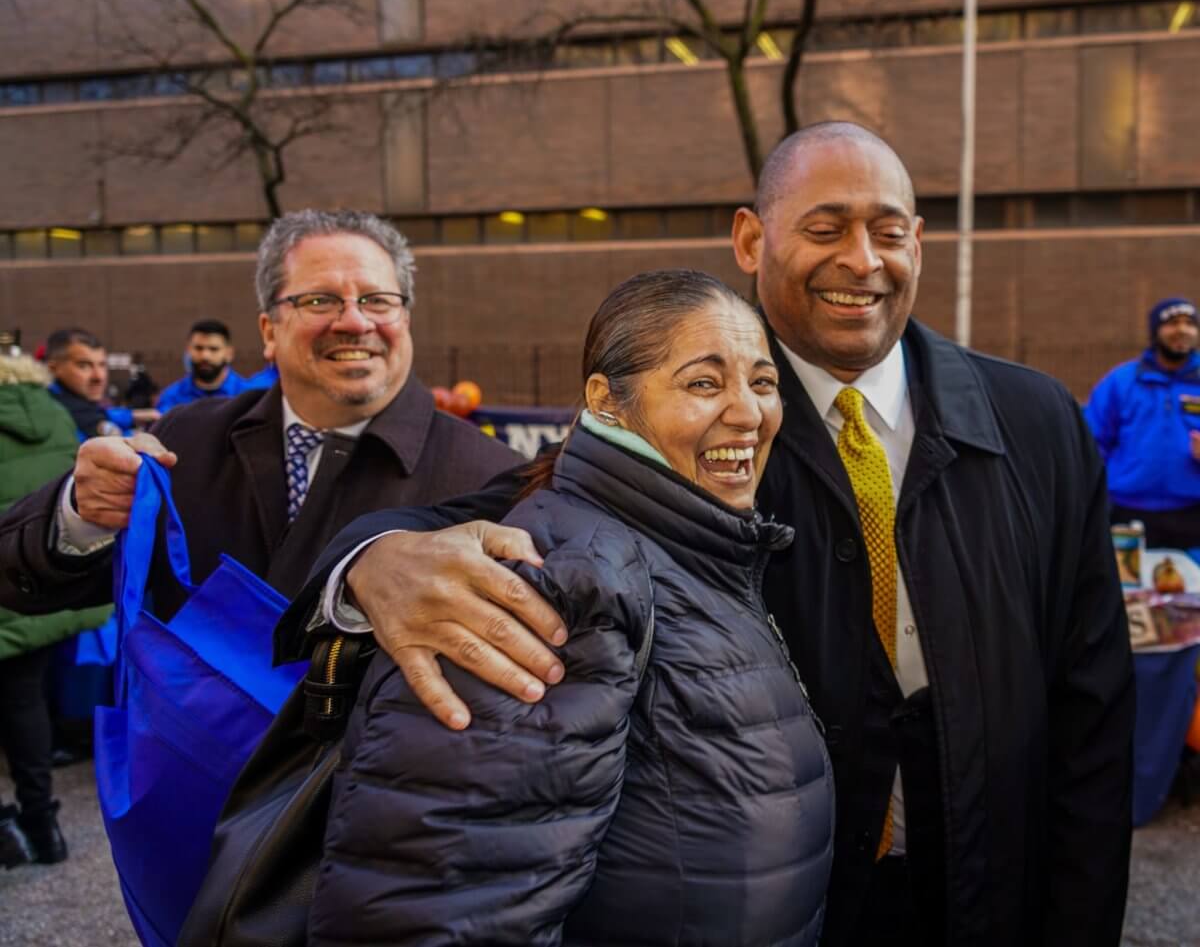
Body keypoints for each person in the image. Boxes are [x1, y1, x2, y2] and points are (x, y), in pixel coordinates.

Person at [281, 123, 1134, 947]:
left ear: (919, 240)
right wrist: (373, 564)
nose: (861, 261)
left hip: (990, 897)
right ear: (751, 239)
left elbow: (1092, 709)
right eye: (826, 228)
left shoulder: (1038, 422)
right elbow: (519, 506)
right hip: (808, 906)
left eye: (887, 231)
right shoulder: (692, 431)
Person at [308, 269, 834, 946]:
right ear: (605, 401)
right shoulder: (566, 578)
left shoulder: (699, 549)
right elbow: (440, 909)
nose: (748, 411)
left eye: (763, 382)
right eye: (704, 382)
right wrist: (369, 563)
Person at [0, 208, 520, 649]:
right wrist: (81, 512)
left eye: (377, 300)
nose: (355, 322)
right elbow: (32, 585)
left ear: (404, 320)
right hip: (201, 763)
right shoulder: (186, 441)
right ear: (268, 331)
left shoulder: (492, 480)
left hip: (379, 768)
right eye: (320, 300)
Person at [0, 346, 110, 868]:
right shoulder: (49, 409)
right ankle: (44, 829)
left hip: (7, 580)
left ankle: (11, 830)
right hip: (35, 585)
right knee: (26, 708)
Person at [1086, 297, 1200, 549]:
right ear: (1155, 331)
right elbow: (1092, 443)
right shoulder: (1121, 381)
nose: (1182, 329)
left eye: (1189, 323)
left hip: (1193, 512)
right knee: (1127, 587)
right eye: (1172, 322)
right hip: (1127, 511)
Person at [44, 329, 159, 439]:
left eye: (102, 365)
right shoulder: (49, 421)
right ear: (53, 369)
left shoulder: (75, 405)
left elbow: (96, 413)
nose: (98, 377)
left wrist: (132, 415)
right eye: (83, 365)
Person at [155, 319, 247, 412]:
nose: (205, 356)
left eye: (213, 349)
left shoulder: (246, 396)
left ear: (229, 354)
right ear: (188, 350)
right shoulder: (172, 398)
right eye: (198, 348)